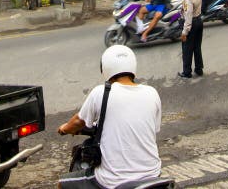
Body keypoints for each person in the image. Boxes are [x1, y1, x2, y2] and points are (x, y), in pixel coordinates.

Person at [58, 45, 162, 188]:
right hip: (153, 174)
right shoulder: (152, 93)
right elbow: (152, 129)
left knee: (62, 184)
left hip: (114, 179)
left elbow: (78, 121)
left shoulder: (101, 92)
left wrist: (64, 129)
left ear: (105, 68)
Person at [178, 0, 203, 78]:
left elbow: (188, 19)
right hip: (199, 22)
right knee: (197, 47)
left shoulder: (188, 0)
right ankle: (199, 69)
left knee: (187, 49)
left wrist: (184, 33)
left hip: (191, 24)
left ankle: (187, 72)